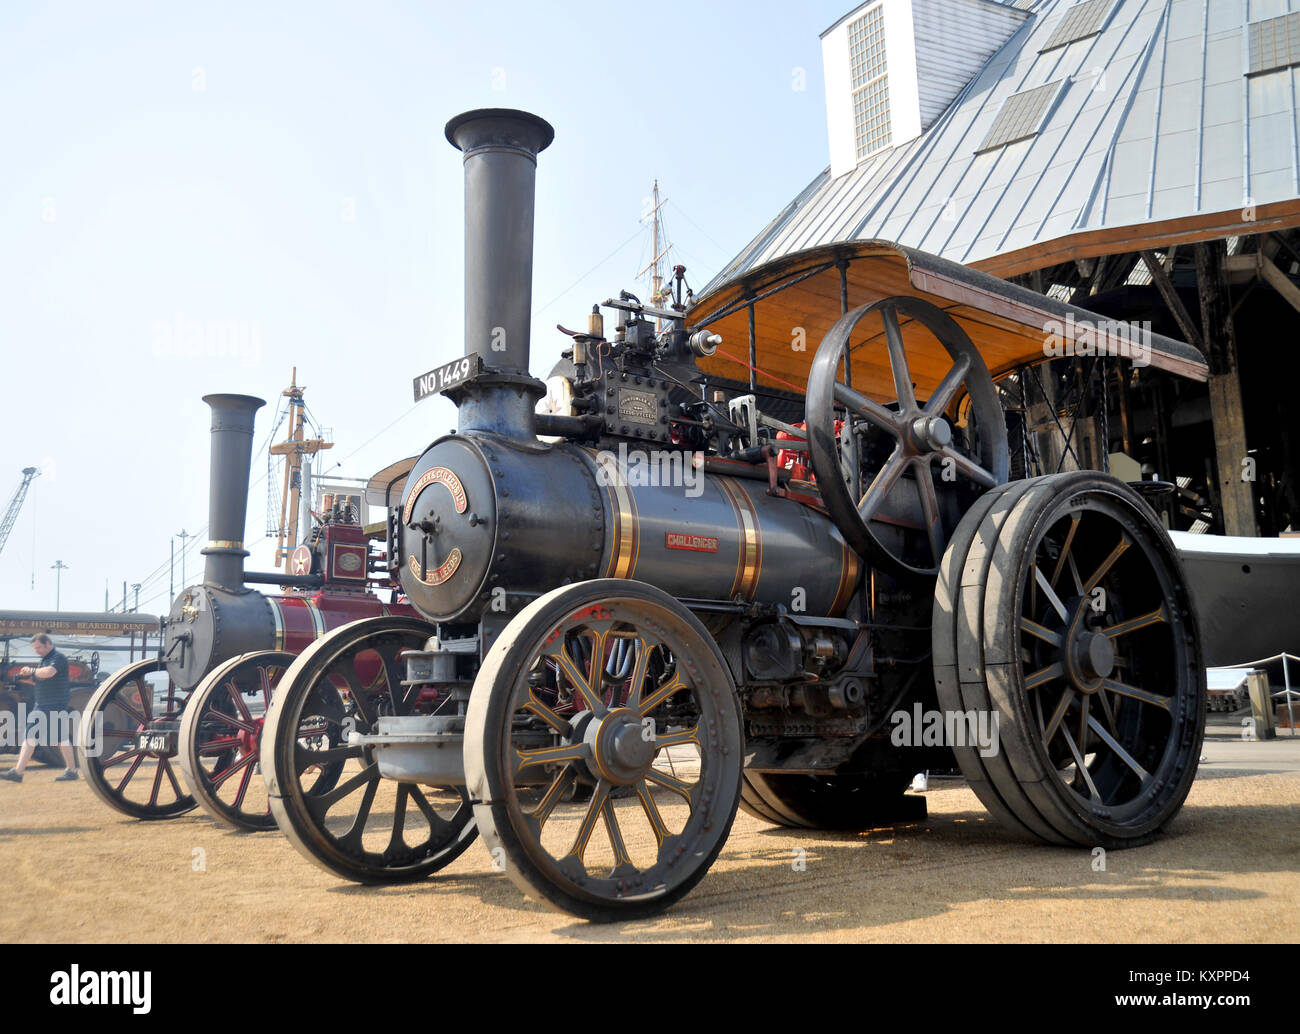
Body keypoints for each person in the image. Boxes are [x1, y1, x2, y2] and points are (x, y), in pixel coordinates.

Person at [2, 632, 78, 782]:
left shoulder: (58, 658)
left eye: (39, 647)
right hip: (46, 704)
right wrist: (24, 680)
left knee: (31, 735)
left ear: (48, 644)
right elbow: (41, 681)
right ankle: (71, 771)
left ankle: (17, 772)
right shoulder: (45, 660)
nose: (37, 650)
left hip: (51, 704)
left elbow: (49, 673)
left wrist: (31, 671)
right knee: (59, 738)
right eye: (35, 648)